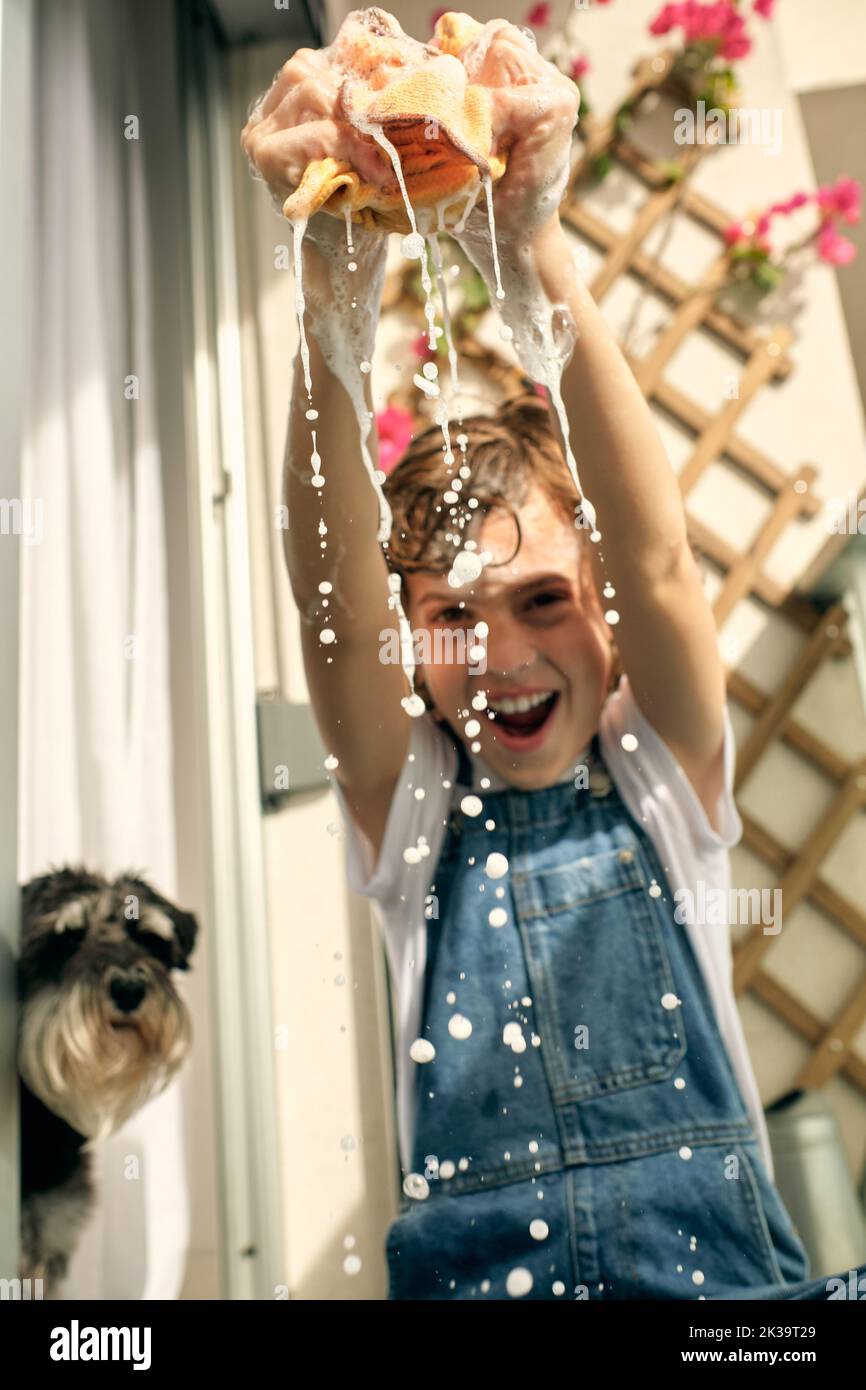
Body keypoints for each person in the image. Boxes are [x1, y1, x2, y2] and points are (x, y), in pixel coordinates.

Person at [242, 29, 864, 1303]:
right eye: (452, 617)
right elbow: (326, 603)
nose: (506, 656)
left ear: (604, 615)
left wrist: (533, 245)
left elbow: (663, 559)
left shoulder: (657, 774)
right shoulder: (414, 818)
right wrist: (332, 303)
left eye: (540, 601)